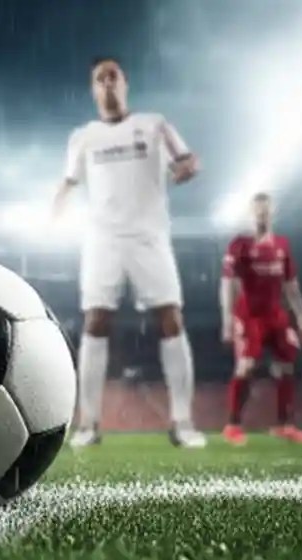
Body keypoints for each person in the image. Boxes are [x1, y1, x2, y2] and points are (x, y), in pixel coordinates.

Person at [52, 56, 206, 449]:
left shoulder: (154, 125)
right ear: (93, 89)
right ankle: (88, 424)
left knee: (171, 319)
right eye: (99, 79)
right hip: (102, 240)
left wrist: (189, 168)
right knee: (95, 321)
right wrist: (54, 211)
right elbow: (68, 183)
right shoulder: (83, 137)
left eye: (113, 76)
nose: (107, 83)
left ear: (125, 83)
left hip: (149, 238)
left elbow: (187, 160)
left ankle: (182, 422)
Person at [220, 192, 302, 445]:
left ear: (273, 213)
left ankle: (285, 425)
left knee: (286, 366)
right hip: (248, 315)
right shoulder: (239, 244)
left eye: (265, 210)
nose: (261, 214)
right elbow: (227, 284)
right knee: (246, 367)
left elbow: (291, 285)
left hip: (275, 315)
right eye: (257, 210)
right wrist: (228, 320)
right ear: (250, 213)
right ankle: (232, 425)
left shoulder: (282, 245)